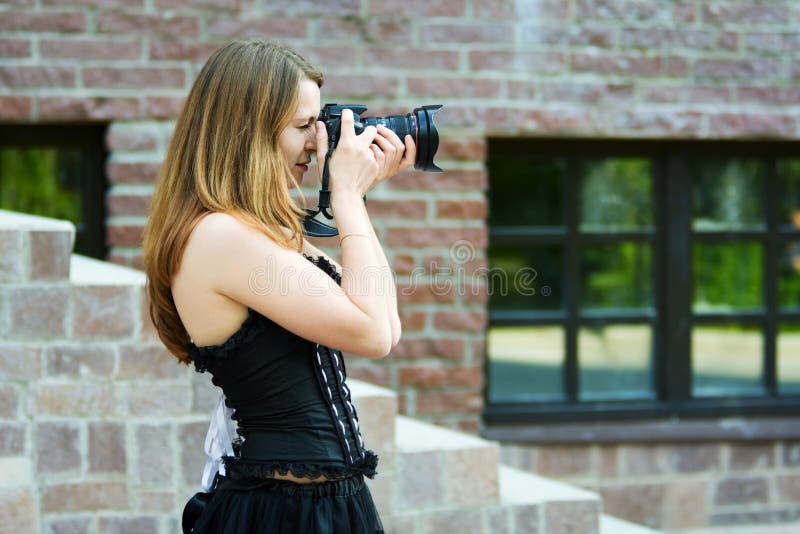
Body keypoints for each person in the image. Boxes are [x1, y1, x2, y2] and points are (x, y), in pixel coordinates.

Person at [142, 40, 415, 534]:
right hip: (284, 513)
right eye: (301, 126)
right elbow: (372, 333)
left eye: (318, 122)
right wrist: (348, 199)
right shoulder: (218, 236)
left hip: (324, 504)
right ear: (247, 132)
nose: (318, 141)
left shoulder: (264, 233)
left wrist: (350, 196)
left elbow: (387, 325)